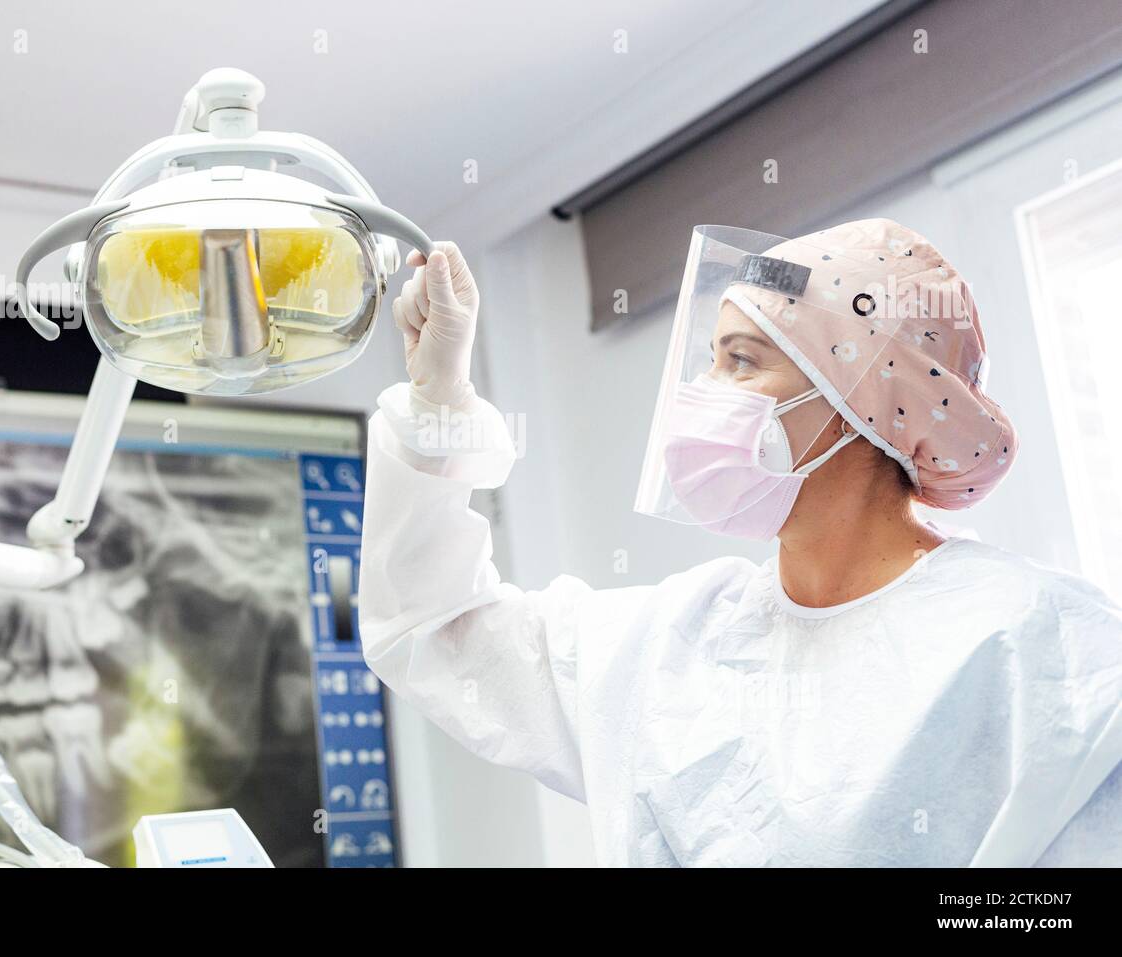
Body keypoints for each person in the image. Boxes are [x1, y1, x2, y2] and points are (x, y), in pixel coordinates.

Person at [358, 219, 1122, 867]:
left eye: (742, 361)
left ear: (862, 399)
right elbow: (434, 624)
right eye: (711, 360)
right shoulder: (665, 643)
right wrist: (438, 399)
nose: (703, 392)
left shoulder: (1033, 643)